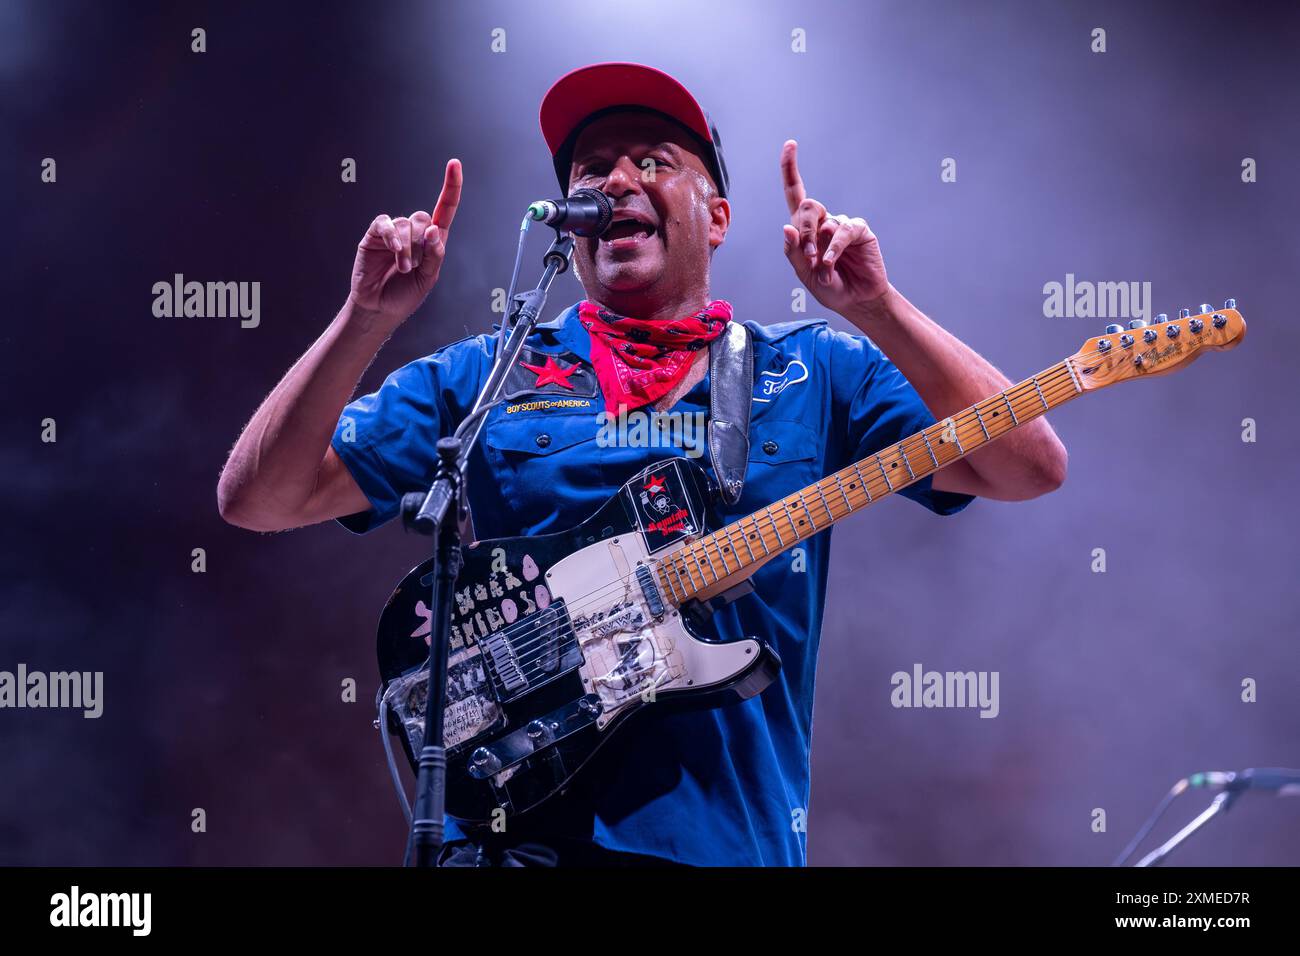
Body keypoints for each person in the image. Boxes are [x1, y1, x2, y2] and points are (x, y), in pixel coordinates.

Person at [217, 62, 1068, 866]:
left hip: (734, 847)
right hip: (524, 846)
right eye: (591, 170)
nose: (614, 183)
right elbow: (259, 497)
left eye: (654, 161)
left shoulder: (816, 371)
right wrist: (366, 318)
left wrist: (877, 308)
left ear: (719, 217)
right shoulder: (489, 372)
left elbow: (1027, 465)